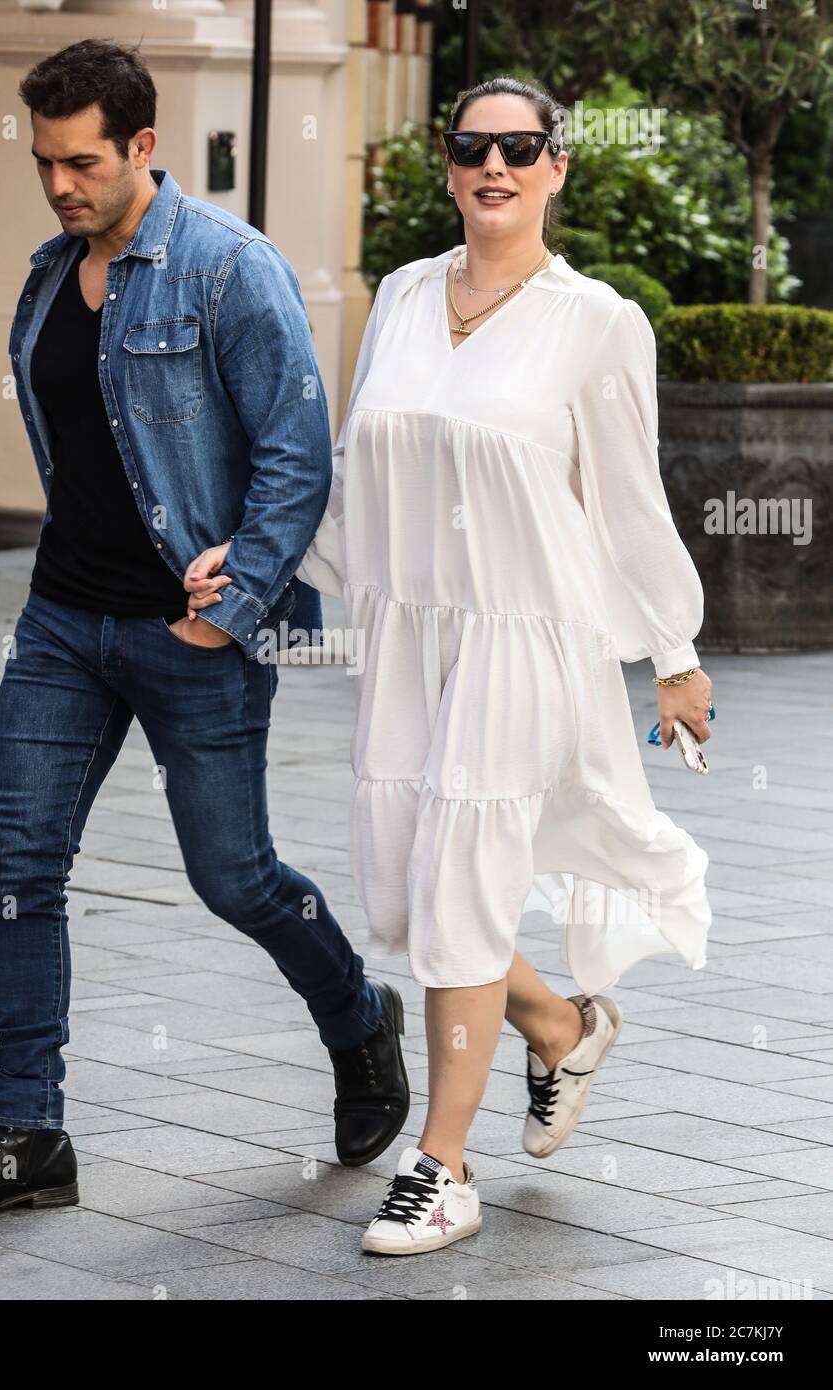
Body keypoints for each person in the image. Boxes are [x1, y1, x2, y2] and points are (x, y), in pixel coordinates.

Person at [0, 37, 409, 1224]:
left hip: (191, 633)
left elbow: (296, 453)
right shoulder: (43, 274)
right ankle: (28, 1129)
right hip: (62, 623)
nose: (61, 185)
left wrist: (230, 610)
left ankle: (356, 1012)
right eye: (44, 164)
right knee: (20, 867)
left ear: (143, 146)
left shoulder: (230, 270)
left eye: (82, 162)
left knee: (234, 878)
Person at [285, 74, 714, 1254]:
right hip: (409, 632)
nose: (495, 166)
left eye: (519, 148)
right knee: (406, 894)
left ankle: (443, 1167)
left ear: (554, 167)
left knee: (462, 886)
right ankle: (563, 1028)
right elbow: (351, 463)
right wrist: (268, 558)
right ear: (447, 159)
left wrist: (672, 655)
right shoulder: (406, 295)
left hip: (524, 634)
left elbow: (628, 502)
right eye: (472, 146)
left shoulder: (596, 321)